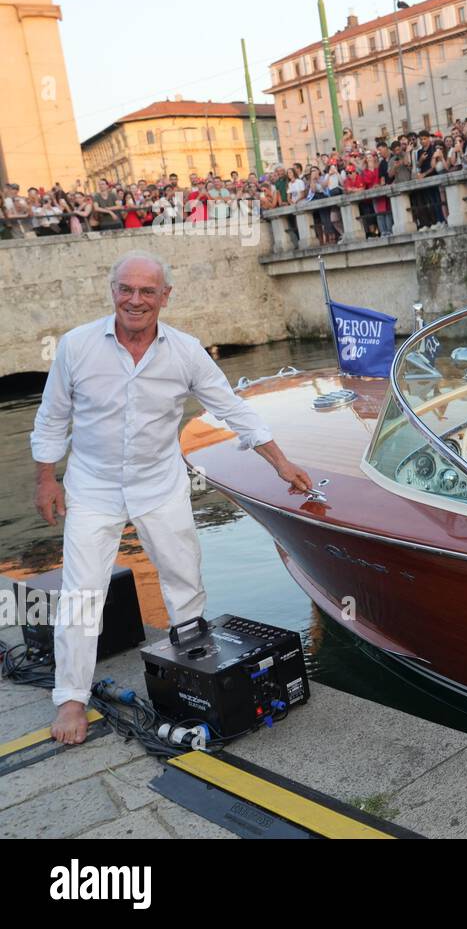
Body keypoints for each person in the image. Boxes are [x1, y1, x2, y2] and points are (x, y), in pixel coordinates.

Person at [31, 252, 312, 744]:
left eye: (146, 291)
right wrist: (45, 480)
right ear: (111, 290)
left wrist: (281, 463)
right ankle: (71, 698)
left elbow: (231, 409)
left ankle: (191, 682)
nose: (134, 300)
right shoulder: (76, 347)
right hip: (92, 485)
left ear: (165, 297)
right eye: (126, 289)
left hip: (159, 483)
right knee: (81, 594)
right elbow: (52, 417)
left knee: (184, 579)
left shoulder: (184, 352)